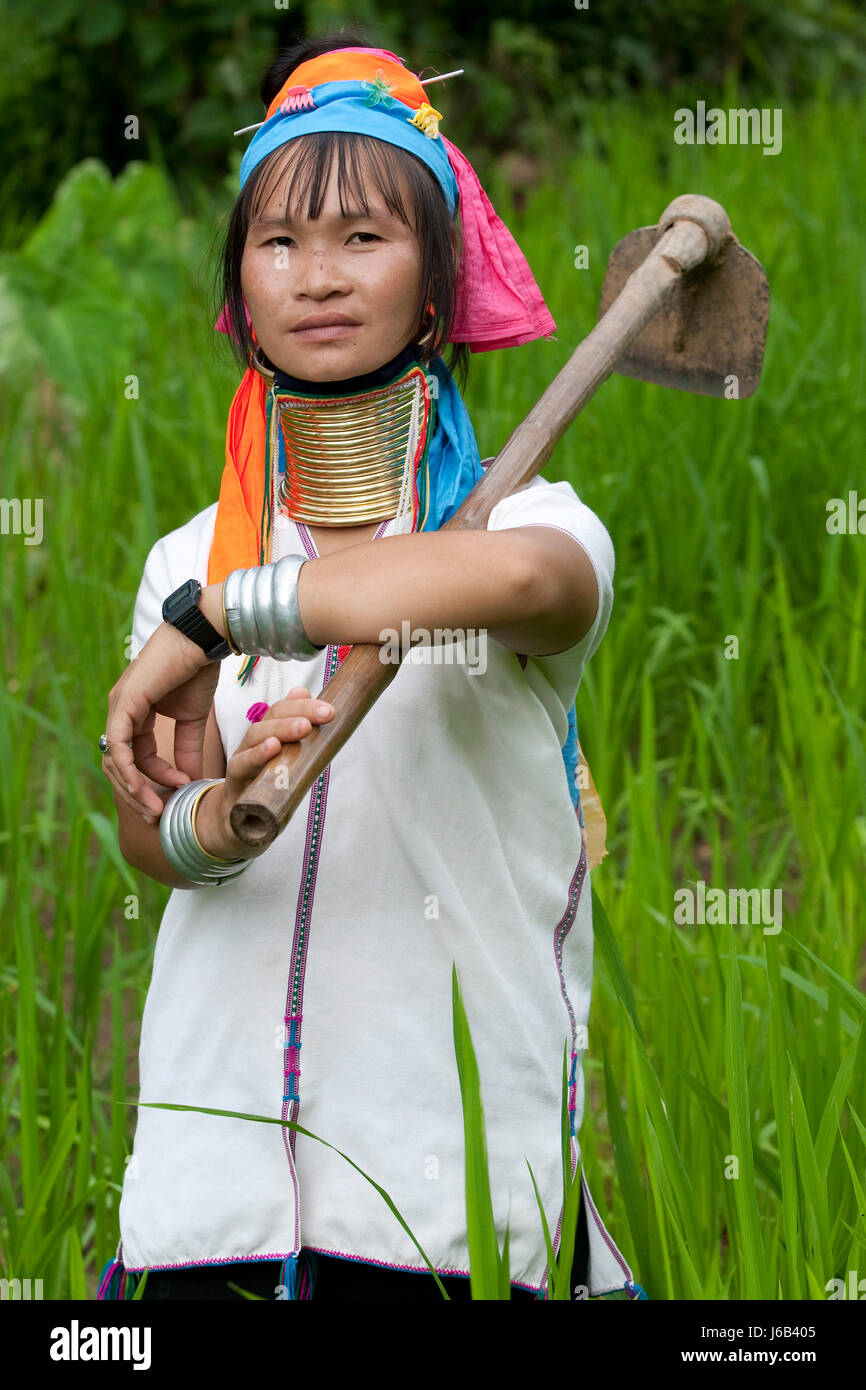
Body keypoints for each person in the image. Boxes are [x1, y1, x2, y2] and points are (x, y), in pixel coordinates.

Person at [96, 32, 640, 1302]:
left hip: (444, 1190)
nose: (316, 276)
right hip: (211, 1184)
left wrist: (229, 617)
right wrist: (218, 819)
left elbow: (509, 590)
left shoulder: (532, 531)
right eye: (279, 241)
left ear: (438, 284)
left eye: (362, 238)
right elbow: (151, 834)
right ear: (240, 282)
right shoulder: (191, 558)